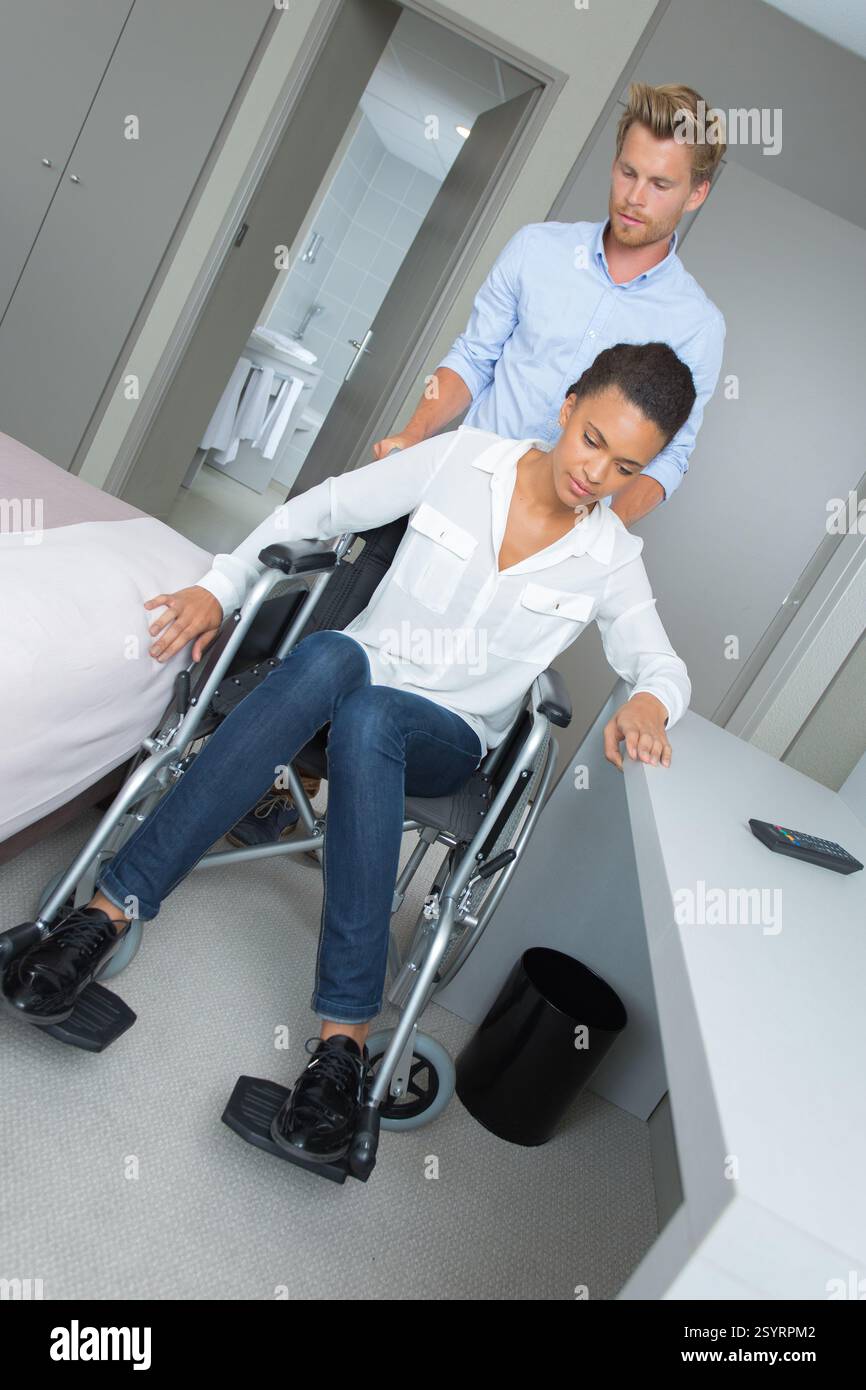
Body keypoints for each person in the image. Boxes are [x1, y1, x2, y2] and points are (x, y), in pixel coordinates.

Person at [4, 342, 695, 1166]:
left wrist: (651, 702)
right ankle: (100, 919)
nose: (595, 475)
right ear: (568, 405)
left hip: (445, 738)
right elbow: (320, 511)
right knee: (335, 657)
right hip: (348, 687)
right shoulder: (461, 462)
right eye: (591, 440)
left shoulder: (611, 560)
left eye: (625, 467)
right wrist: (217, 587)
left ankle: (340, 1053)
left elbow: (660, 665)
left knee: (371, 713)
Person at [233, 80, 726, 847]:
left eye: (660, 183)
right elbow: (472, 359)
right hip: (452, 498)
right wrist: (417, 432)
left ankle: (345, 800)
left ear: (695, 194)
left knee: (441, 689)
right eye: (627, 171)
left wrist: (584, 533)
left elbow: (669, 462)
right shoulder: (536, 249)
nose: (634, 196)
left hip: (536, 554)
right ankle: (267, 784)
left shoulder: (697, 324)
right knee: (338, 642)